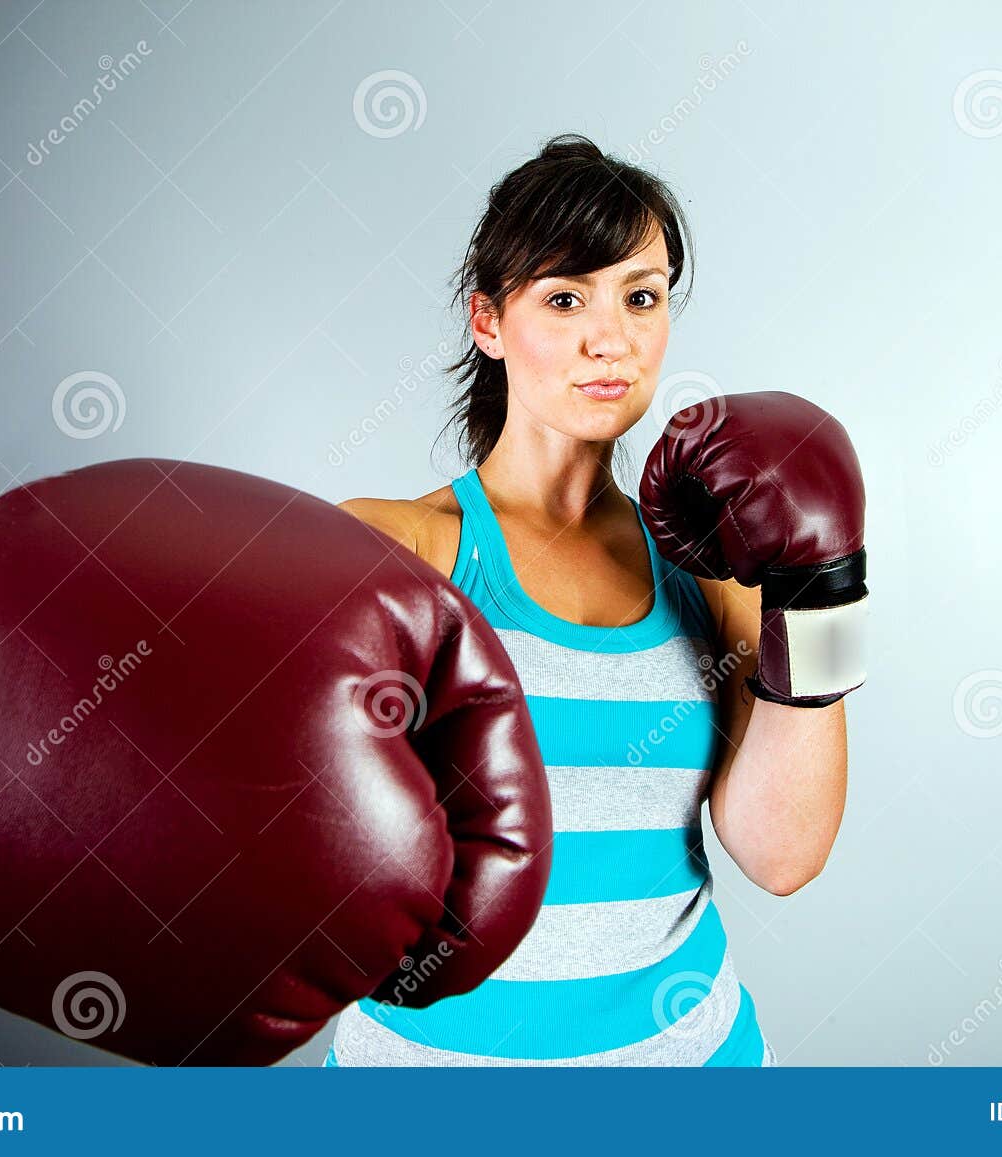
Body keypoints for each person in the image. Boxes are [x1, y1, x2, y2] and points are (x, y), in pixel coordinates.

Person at [329, 134, 858, 1066]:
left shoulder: (710, 568)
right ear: (488, 321)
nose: (610, 337)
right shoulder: (394, 551)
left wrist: (822, 591)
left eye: (641, 296)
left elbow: (785, 857)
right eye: (565, 296)